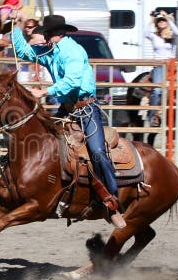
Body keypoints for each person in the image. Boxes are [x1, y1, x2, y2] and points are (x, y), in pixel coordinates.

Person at [11, 13, 125, 228]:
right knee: (44, 144)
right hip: (67, 108)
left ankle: (113, 201)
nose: (44, 38)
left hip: (86, 108)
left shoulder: (72, 51)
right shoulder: (51, 51)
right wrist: (16, 26)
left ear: (57, 34)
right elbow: (23, 51)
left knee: (98, 152)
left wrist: (45, 91)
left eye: (47, 34)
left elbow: (72, 81)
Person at [144, 10, 178, 127]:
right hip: (159, 66)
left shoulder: (172, 35)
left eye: (163, 21)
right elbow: (145, 33)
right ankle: (152, 115)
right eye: (160, 21)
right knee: (157, 90)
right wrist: (152, 19)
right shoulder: (154, 36)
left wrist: (167, 18)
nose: (162, 23)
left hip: (172, 66)